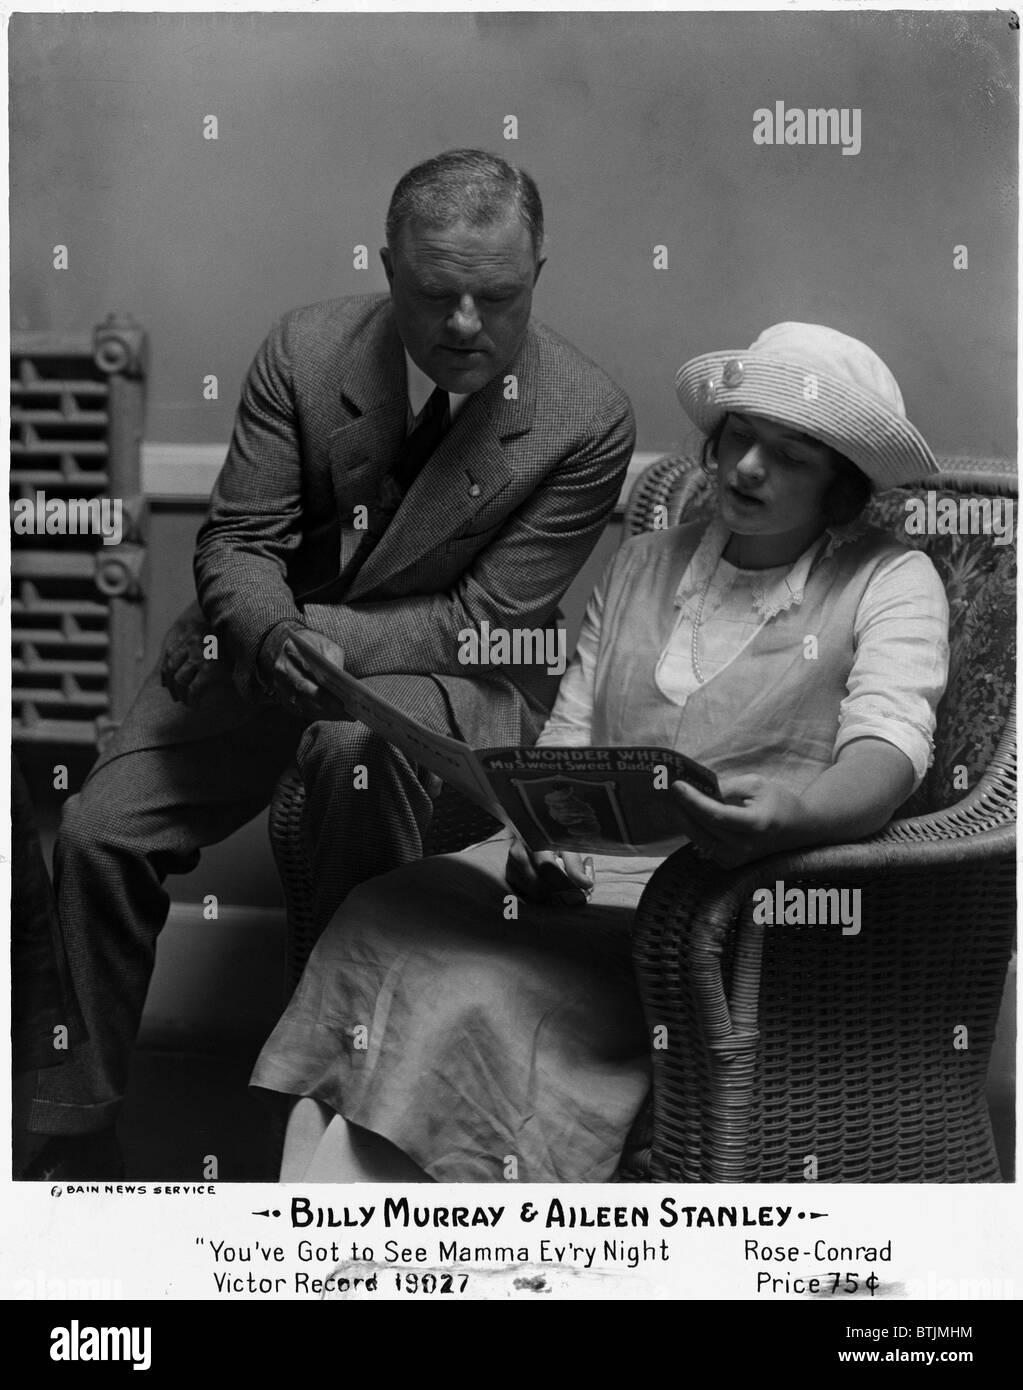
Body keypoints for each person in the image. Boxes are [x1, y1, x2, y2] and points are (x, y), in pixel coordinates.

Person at [19, 148, 635, 1180]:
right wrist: (258, 629)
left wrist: (299, 626)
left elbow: (485, 616)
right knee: (94, 830)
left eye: (502, 293)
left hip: (460, 676)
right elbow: (238, 541)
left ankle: (333, 1126)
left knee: (347, 756)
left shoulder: (588, 416)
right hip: (267, 655)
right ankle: (76, 1113)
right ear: (388, 269)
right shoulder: (304, 350)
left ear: (540, 271)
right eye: (439, 293)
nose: (469, 324)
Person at [251, 321, 951, 1184]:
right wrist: (533, 834)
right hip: (574, 874)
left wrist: (790, 817)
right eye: (738, 437)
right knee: (383, 914)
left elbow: (888, 753)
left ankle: (401, 1238)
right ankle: (320, 1231)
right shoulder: (645, 562)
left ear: (841, 487)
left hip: (726, 900)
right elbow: (571, 736)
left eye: (791, 455)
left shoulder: (890, 580)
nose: (746, 470)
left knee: (477, 988)